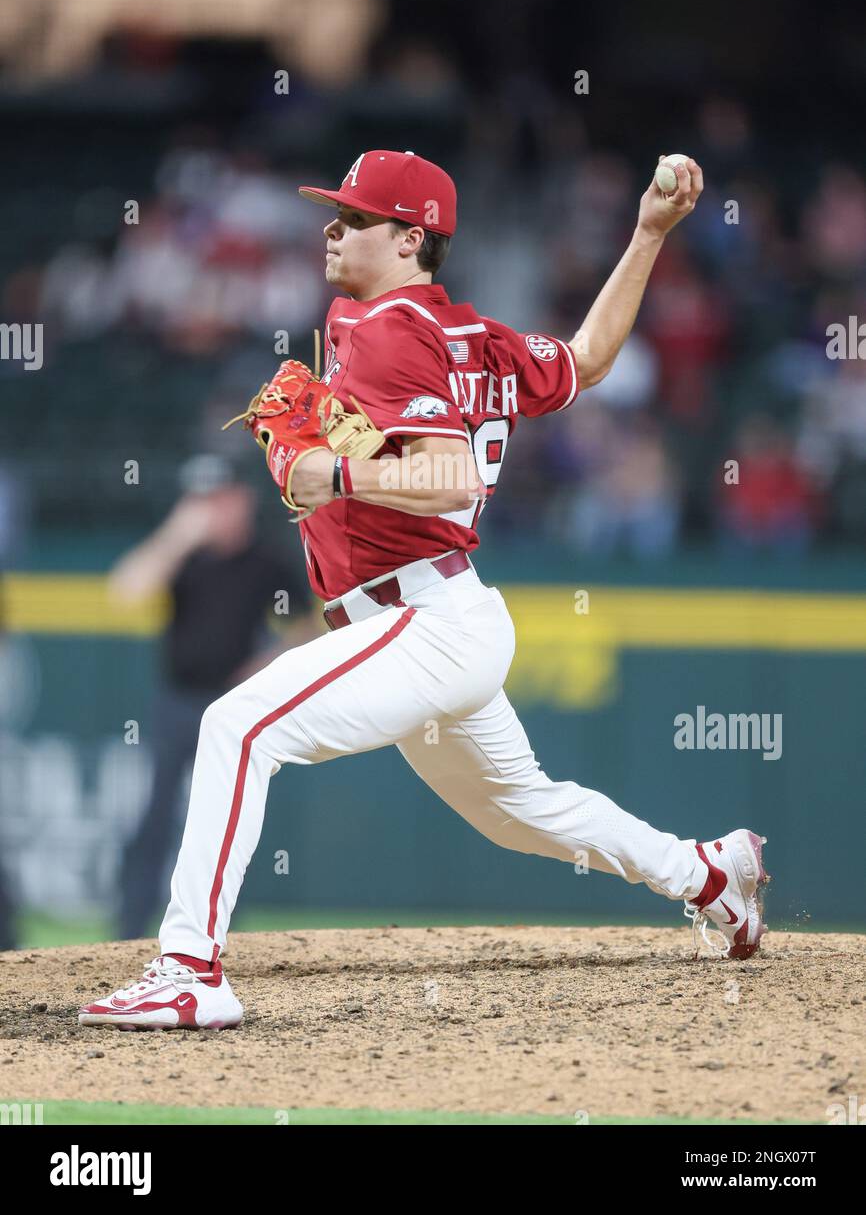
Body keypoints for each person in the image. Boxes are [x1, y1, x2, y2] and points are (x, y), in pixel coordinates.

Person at [80, 150, 768, 1031]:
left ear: (410, 240)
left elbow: (445, 477)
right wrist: (647, 234)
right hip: (445, 615)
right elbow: (590, 358)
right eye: (335, 214)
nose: (333, 228)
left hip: (421, 616)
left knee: (235, 726)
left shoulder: (392, 329)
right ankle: (710, 874)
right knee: (522, 809)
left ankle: (190, 969)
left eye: (355, 218)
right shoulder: (469, 338)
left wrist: (329, 474)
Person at [108, 454, 314, 942]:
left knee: (224, 821)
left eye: (217, 498)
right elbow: (126, 590)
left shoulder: (266, 560)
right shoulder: (185, 558)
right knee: (155, 818)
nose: (208, 510)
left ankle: (220, 934)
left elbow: (308, 630)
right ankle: (128, 933)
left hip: (232, 708)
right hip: (176, 704)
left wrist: (265, 664)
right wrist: (177, 536)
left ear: (241, 500)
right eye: (200, 499)